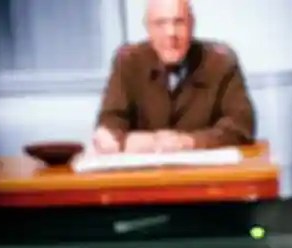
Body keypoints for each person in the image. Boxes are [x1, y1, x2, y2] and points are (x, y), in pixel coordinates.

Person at [92, 0, 255, 154]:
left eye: (179, 22)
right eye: (160, 23)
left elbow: (241, 126)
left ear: (192, 25)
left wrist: (188, 142)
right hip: (145, 177)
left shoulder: (221, 62)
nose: (171, 33)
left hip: (206, 178)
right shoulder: (128, 62)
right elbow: (110, 122)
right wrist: (117, 139)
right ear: (148, 28)